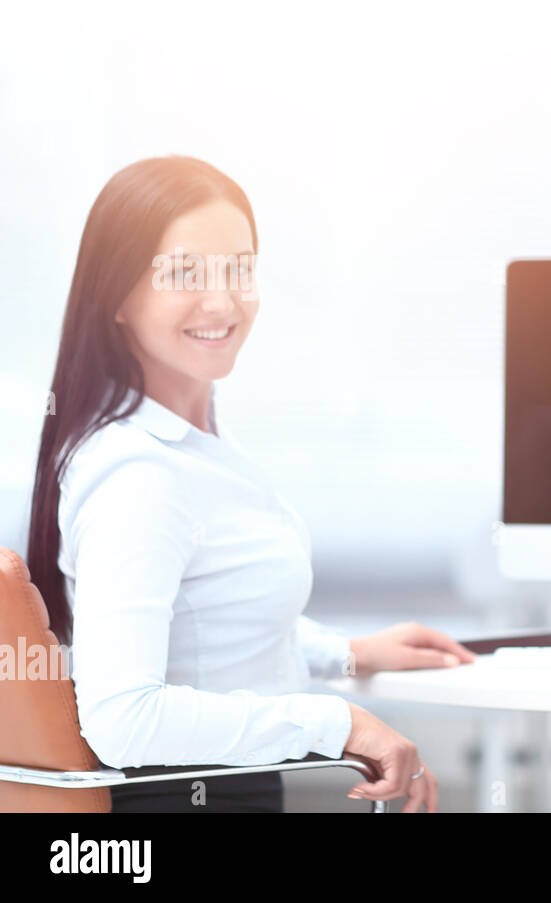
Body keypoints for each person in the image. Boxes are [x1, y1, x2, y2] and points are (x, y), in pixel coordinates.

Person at [26, 155, 475, 812]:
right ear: (117, 296)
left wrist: (346, 653)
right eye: (185, 273)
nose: (222, 300)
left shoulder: (194, 443)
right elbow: (123, 717)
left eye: (239, 268)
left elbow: (211, 624)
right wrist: (339, 722)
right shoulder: (140, 477)